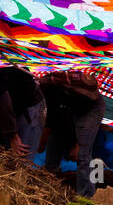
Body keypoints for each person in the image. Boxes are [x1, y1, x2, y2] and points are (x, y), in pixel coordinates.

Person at [40, 69, 104, 198]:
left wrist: (77, 144)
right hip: (70, 110)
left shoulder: (87, 101)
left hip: (90, 111)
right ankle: (49, 179)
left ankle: (86, 195)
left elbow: (84, 134)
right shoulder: (51, 90)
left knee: (84, 154)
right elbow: (54, 119)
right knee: (55, 138)